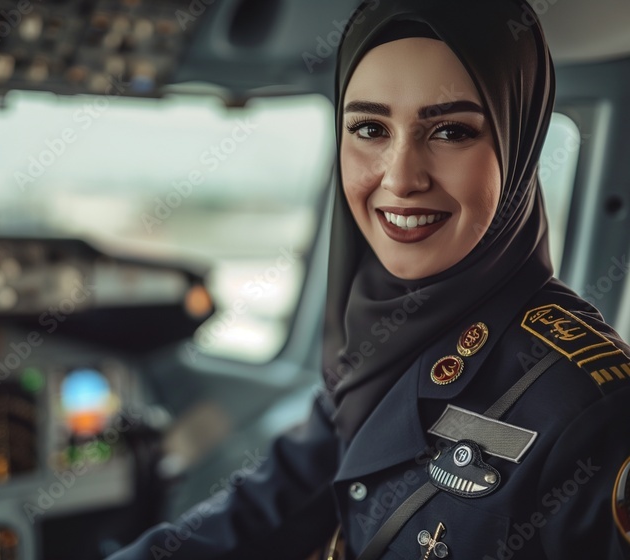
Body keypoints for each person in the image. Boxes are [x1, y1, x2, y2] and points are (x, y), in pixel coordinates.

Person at [105, 0, 630, 558]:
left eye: (451, 130)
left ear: (518, 146)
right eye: (370, 128)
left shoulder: (591, 409)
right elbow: (262, 514)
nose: (400, 177)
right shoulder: (377, 342)